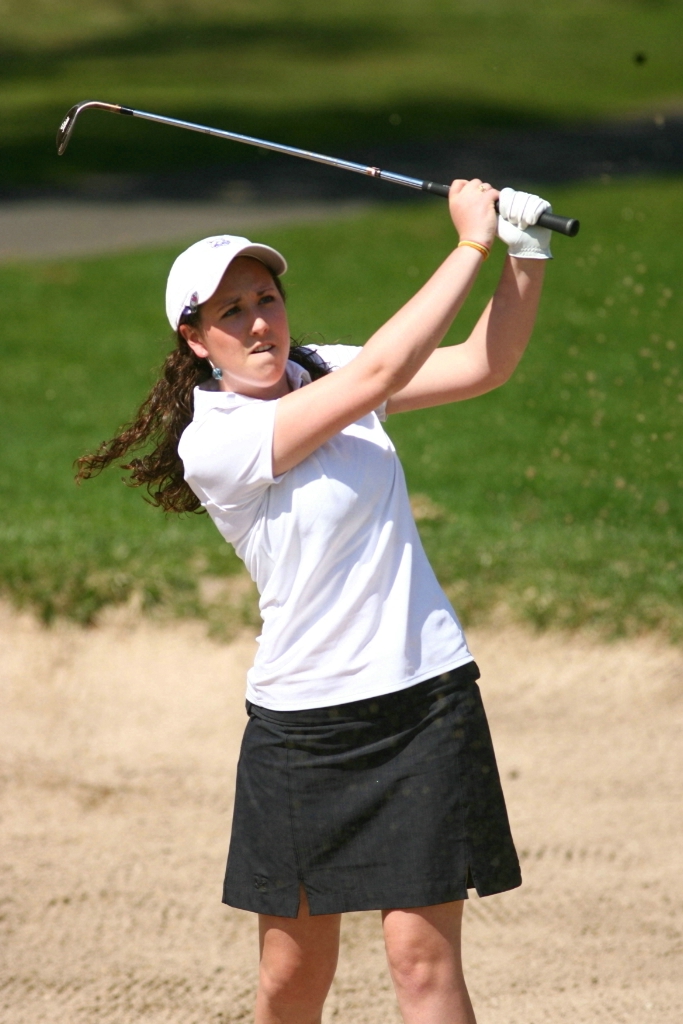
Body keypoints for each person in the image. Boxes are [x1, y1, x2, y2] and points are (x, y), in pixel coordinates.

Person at [77, 180, 552, 1024]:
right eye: (231, 312)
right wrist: (468, 244)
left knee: (421, 962)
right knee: (291, 978)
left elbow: (484, 364)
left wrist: (523, 251)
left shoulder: (322, 368)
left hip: (425, 702)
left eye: (267, 298)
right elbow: (382, 370)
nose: (259, 322)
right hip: (304, 729)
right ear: (194, 339)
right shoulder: (216, 441)